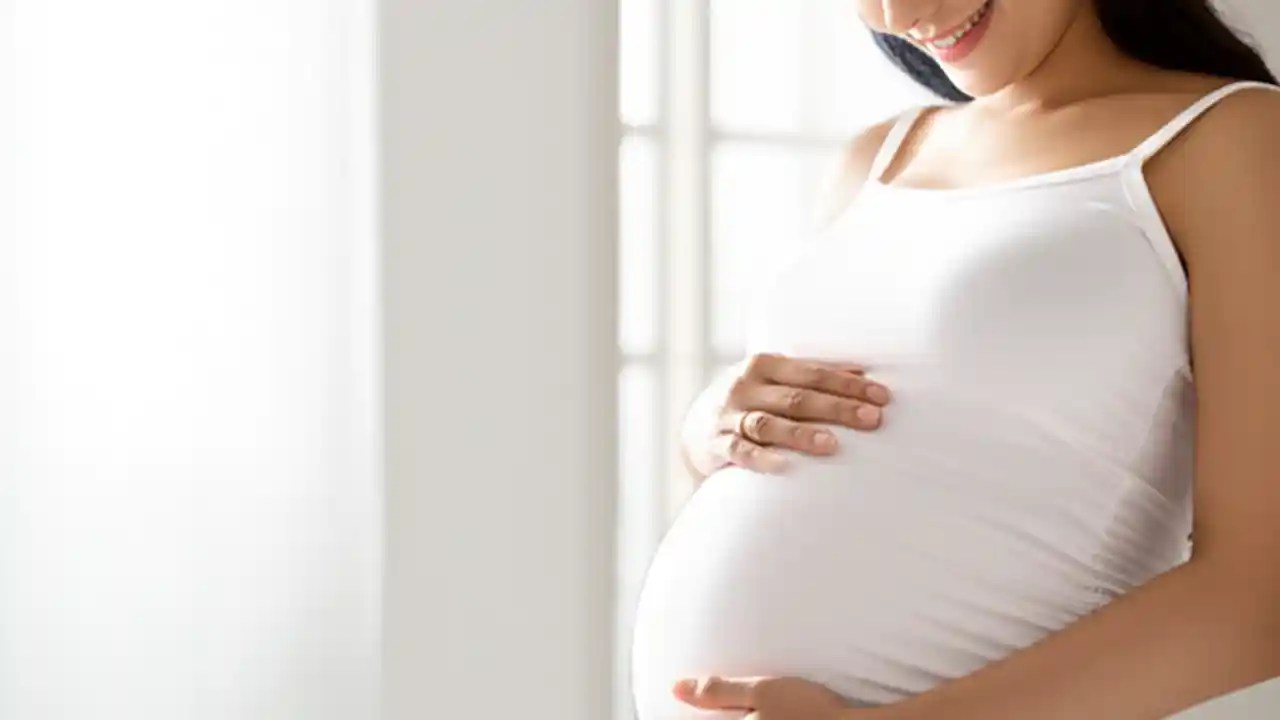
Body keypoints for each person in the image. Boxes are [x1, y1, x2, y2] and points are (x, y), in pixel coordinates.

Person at [628, 1, 1280, 719]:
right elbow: (903, 462)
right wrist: (709, 434)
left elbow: (1258, 593)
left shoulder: (1234, 140)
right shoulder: (874, 159)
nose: (899, 13)